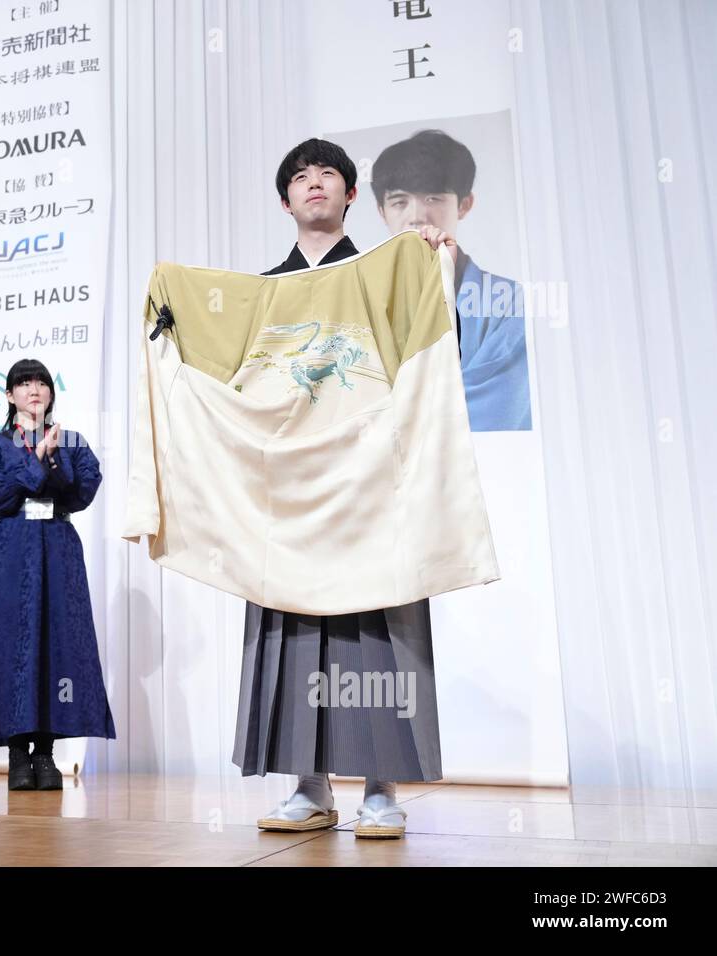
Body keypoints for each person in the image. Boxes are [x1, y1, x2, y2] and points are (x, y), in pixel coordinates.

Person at [243, 139, 457, 838]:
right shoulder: (265, 290)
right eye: (300, 178)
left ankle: (381, 788)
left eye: (327, 175)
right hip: (295, 487)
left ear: (349, 195)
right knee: (296, 624)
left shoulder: (381, 271)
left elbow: (427, 342)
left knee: (375, 628)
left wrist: (429, 260)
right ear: (285, 201)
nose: (314, 185)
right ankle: (307, 787)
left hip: (371, 481)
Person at [0, 359, 115, 790]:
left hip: (59, 546)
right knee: (11, 644)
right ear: (10, 395)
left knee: (57, 645)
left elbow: (84, 490)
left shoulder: (72, 441)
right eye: (23, 383)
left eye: (41, 383)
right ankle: (17, 753)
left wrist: (53, 460)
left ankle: (46, 754)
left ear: (51, 393)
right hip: (12, 548)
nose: (33, 389)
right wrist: (38, 463)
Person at [372, 129, 531, 430]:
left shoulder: (506, 302)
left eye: (433, 197)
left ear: (464, 204)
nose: (417, 216)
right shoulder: (364, 304)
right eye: (399, 202)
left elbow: (497, 409)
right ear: (382, 212)